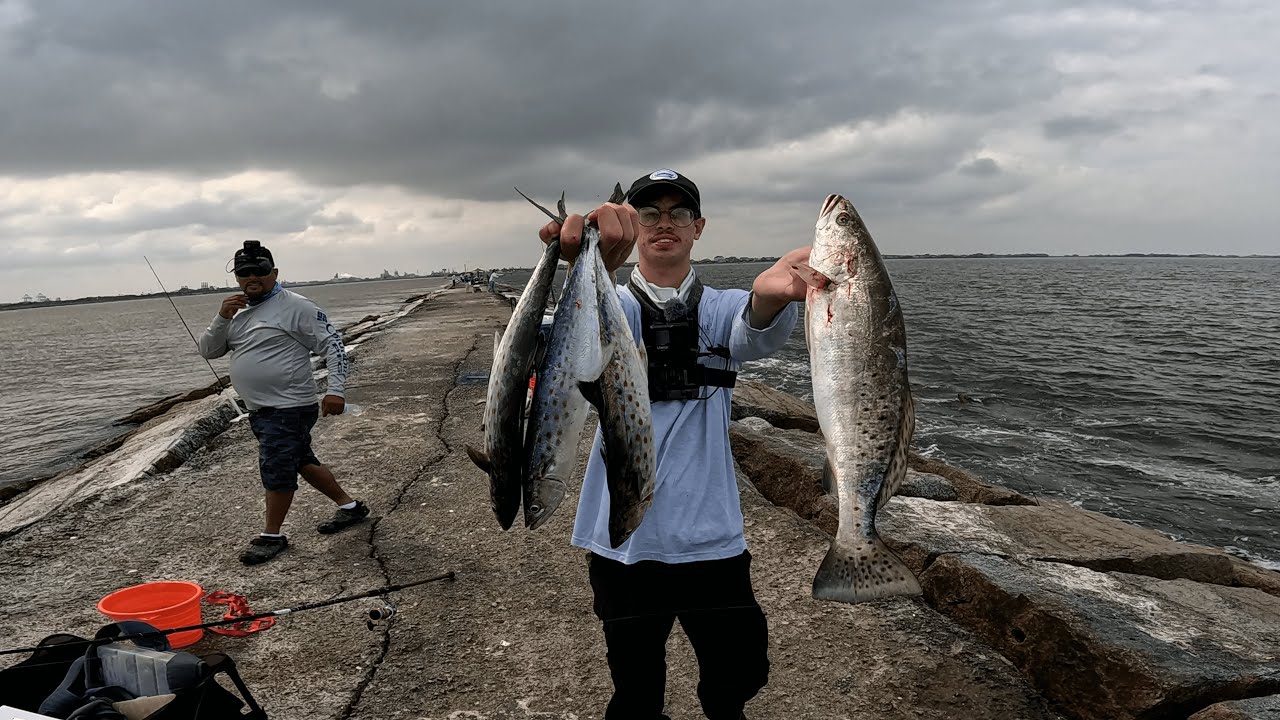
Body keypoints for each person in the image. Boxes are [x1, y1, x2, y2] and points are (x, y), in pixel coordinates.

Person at [536, 169, 821, 720]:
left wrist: (770, 296)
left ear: (698, 227)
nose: (664, 223)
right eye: (649, 213)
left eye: (678, 213)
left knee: (740, 673)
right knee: (635, 687)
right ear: (635, 225)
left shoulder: (721, 307)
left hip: (711, 538)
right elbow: (567, 343)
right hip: (623, 542)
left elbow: (752, 328)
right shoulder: (614, 304)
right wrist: (590, 268)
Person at [198, 241, 372, 565]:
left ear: (274, 273)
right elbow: (209, 350)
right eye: (244, 272)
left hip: (288, 407)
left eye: (260, 270)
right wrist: (222, 317)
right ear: (236, 277)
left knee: (277, 468)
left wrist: (336, 391)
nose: (252, 277)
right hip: (261, 410)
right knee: (301, 460)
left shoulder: (296, 306)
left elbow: (334, 346)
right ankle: (350, 507)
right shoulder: (236, 311)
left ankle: (272, 536)